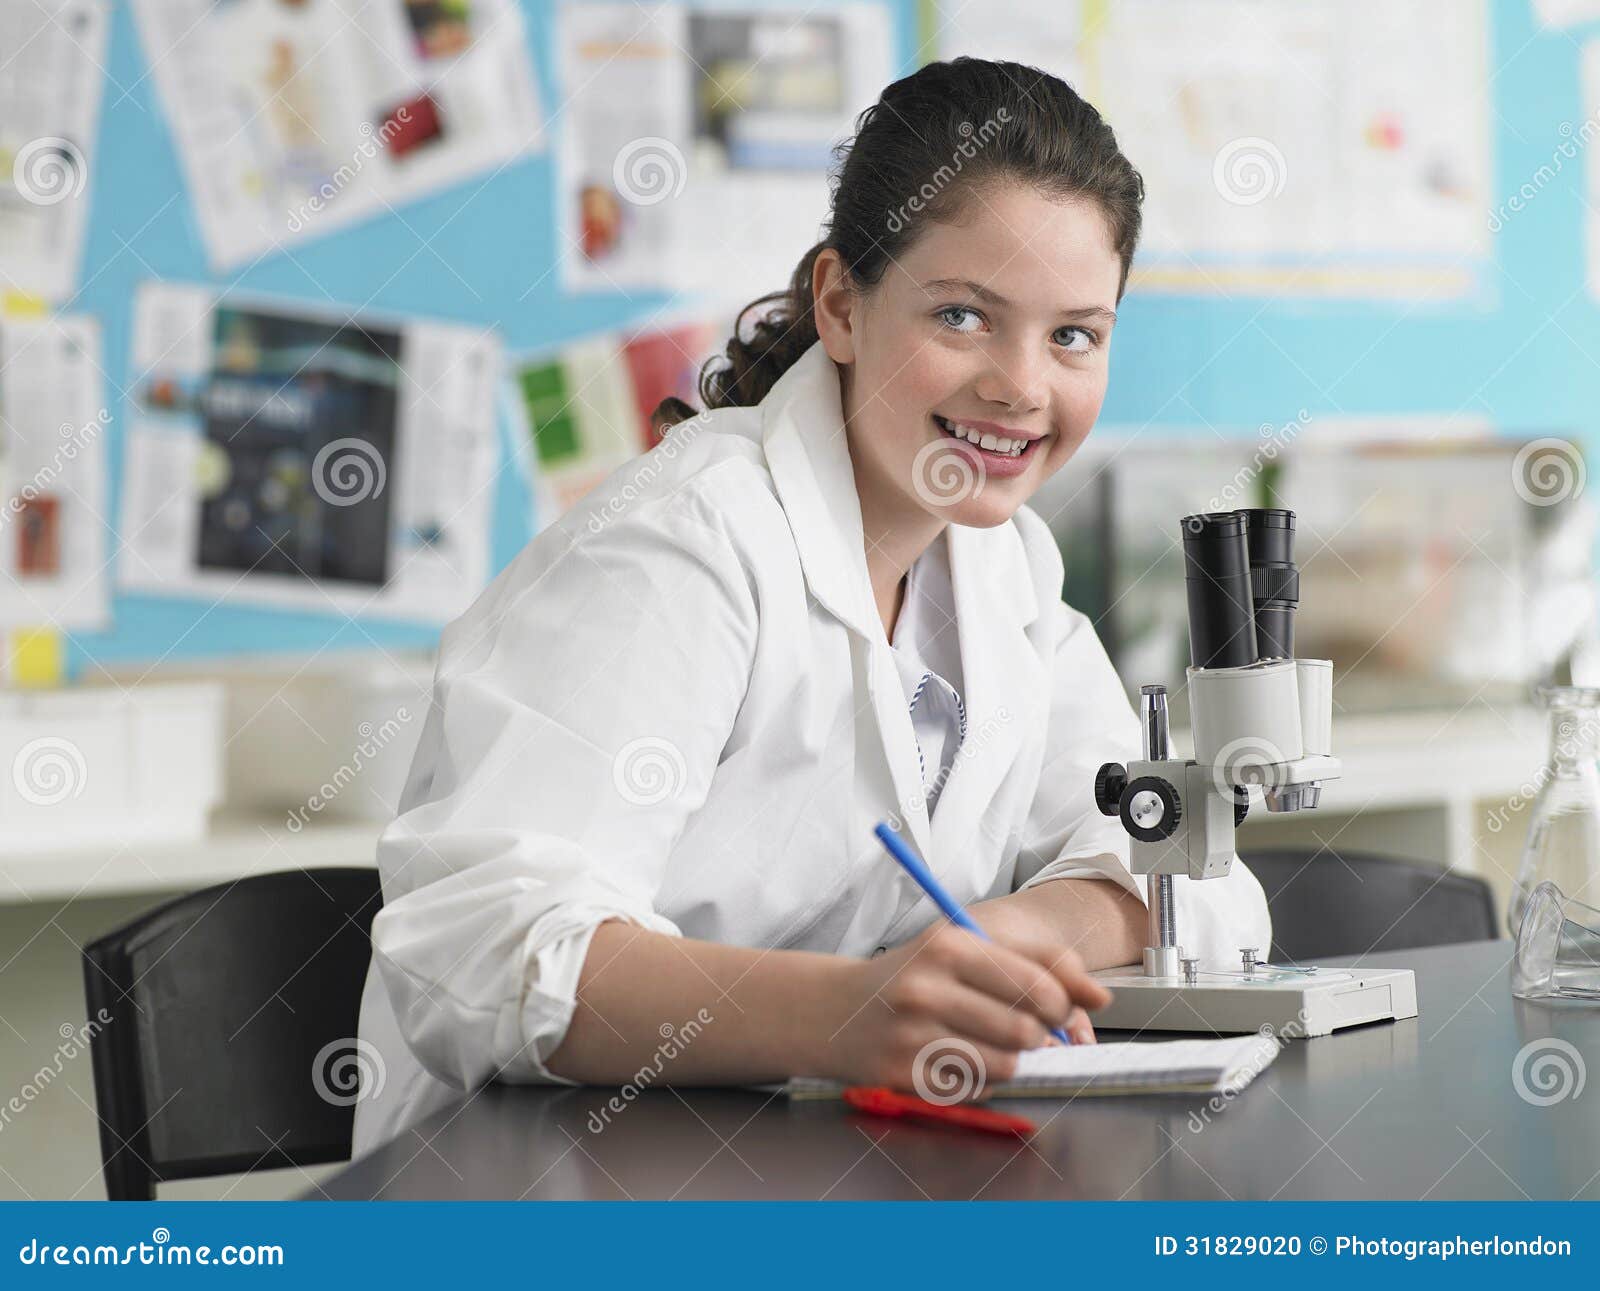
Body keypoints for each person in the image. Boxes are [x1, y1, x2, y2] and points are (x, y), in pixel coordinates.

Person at [352, 56, 1271, 1153]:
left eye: (1073, 334)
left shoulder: (1002, 567)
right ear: (841, 302)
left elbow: (1193, 878)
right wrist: (853, 1012)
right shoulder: (682, 543)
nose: (1022, 385)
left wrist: (1003, 936)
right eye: (965, 316)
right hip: (530, 1188)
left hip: (791, 1167)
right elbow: (484, 949)